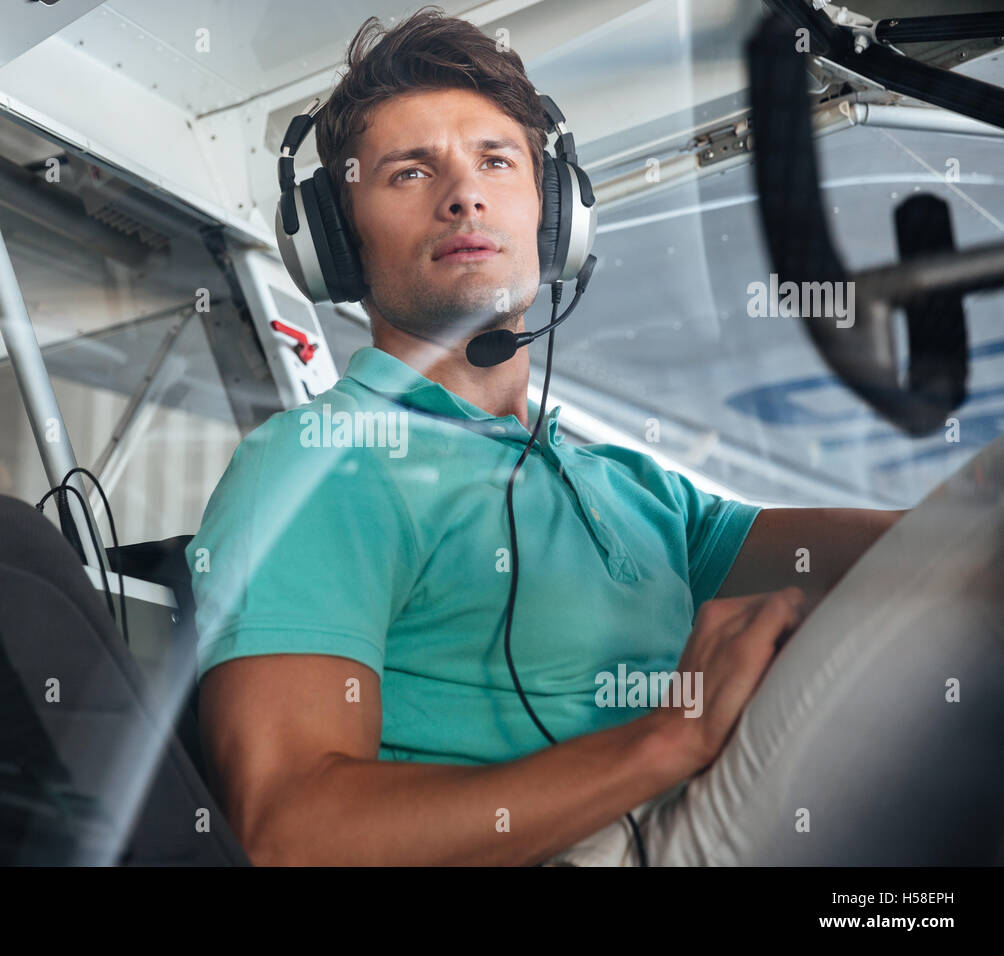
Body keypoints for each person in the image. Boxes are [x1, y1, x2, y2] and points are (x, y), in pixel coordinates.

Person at [183, 6, 917, 866]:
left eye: (496, 161)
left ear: (557, 214)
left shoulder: (640, 491)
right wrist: (660, 743)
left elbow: (926, 559)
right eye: (410, 173)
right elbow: (290, 835)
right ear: (336, 246)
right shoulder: (316, 466)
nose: (465, 193)